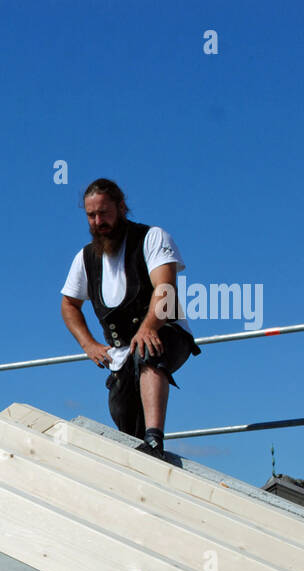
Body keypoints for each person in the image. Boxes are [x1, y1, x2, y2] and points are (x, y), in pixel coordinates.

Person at [59, 179, 200, 457]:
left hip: (167, 331)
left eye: (104, 213)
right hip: (122, 351)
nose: (98, 221)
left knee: (147, 352)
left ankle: (154, 439)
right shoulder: (86, 259)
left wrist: (148, 326)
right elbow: (69, 304)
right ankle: (137, 452)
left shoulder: (152, 238)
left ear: (122, 208)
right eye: (91, 215)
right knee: (121, 402)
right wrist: (88, 344)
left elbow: (165, 287)